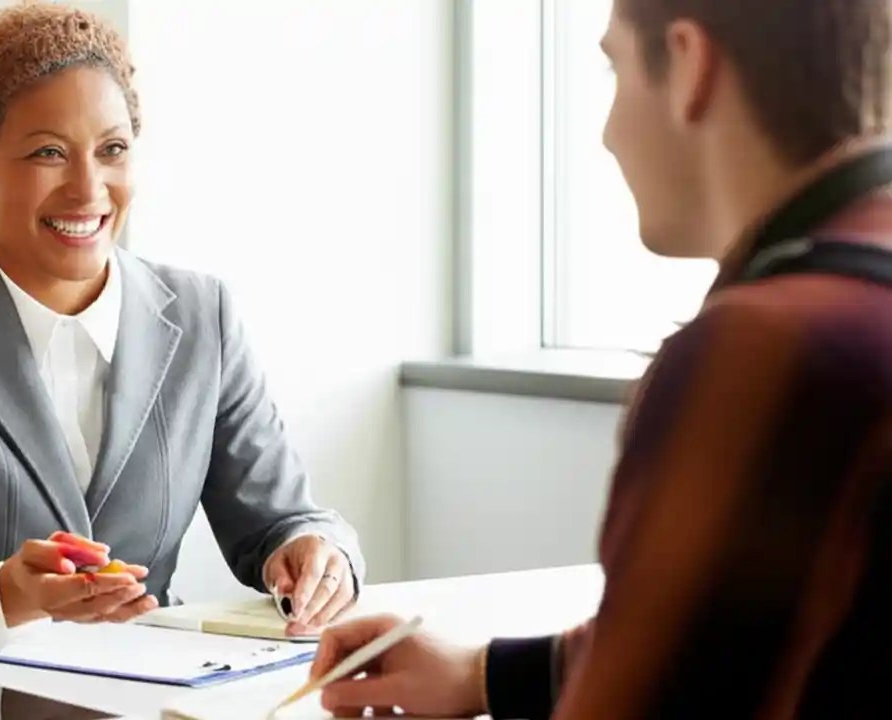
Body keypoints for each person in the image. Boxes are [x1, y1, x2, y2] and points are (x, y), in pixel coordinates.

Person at [312, 1, 892, 717]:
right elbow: (725, 645)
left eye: (614, 68)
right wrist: (488, 676)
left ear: (688, 63)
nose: (608, 133)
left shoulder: (764, 354)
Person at [0, 2, 363, 656]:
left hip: (151, 687)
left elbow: (279, 519)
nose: (88, 189)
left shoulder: (203, 315)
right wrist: (7, 594)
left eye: (112, 150)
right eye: (48, 152)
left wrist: (316, 551)